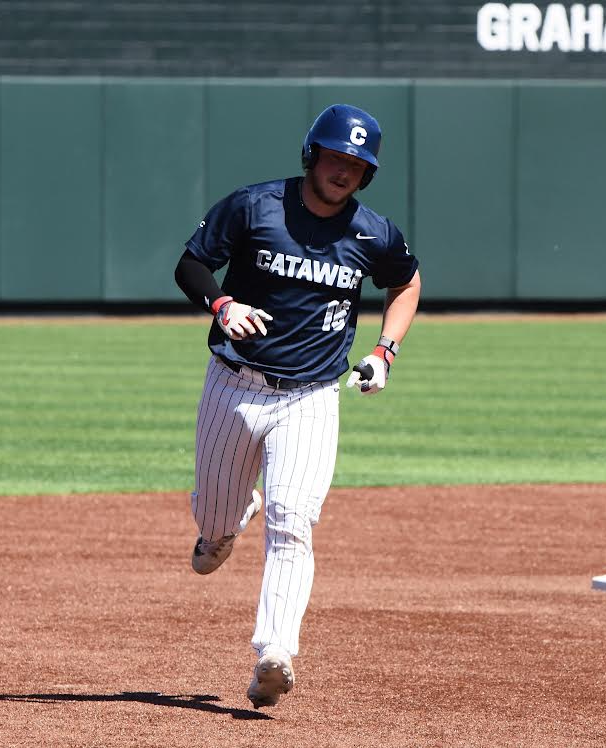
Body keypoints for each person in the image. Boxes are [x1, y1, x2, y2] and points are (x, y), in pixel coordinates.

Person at [173, 103, 421, 709]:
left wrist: (384, 352)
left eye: (356, 164)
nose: (343, 170)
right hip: (233, 387)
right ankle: (227, 520)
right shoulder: (255, 207)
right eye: (335, 156)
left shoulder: (373, 234)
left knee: (293, 522)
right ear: (313, 154)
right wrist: (221, 305)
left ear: (367, 174)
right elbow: (191, 263)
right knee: (212, 530)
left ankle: (275, 653)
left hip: (311, 396)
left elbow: (407, 282)